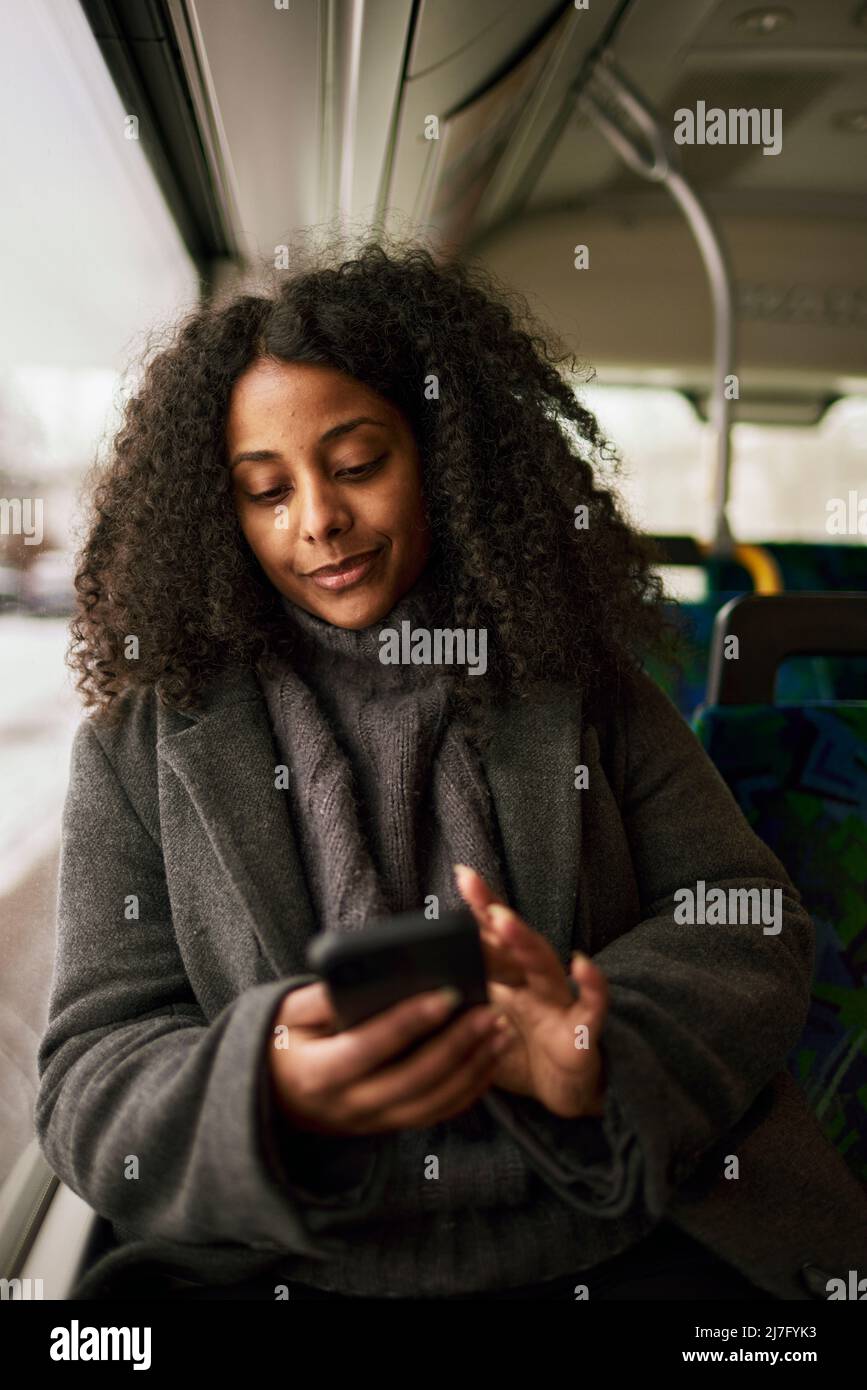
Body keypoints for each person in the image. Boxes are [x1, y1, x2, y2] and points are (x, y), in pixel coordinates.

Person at [35, 240, 867, 1301]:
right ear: (218, 510)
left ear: (440, 453)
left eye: (354, 465)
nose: (317, 519)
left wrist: (592, 1041)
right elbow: (88, 1076)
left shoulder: (587, 685)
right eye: (264, 489)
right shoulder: (138, 747)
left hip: (612, 1230)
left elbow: (747, 913)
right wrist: (271, 1082)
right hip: (291, 1263)